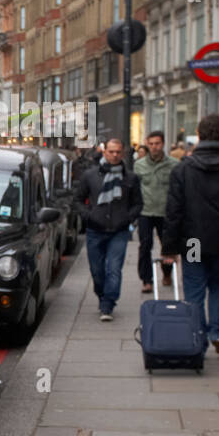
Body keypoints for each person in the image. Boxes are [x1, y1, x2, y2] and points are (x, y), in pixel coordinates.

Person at [161, 113, 219, 354]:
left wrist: (169, 247)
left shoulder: (183, 169)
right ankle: (217, 331)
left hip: (195, 241)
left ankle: (197, 334)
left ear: (199, 135)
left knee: (195, 287)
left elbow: (174, 211)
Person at [78, 137, 143, 321]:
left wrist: (128, 219)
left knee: (114, 269)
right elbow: (78, 200)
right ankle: (101, 295)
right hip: (95, 230)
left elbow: (138, 204)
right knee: (97, 271)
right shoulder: (90, 175)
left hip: (119, 231)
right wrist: (88, 216)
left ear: (122, 153)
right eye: (111, 151)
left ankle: (108, 305)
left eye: (118, 152)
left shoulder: (130, 178)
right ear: (104, 152)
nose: (114, 155)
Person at [134, 131, 174, 294]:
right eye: (151, 144)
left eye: (157, 143)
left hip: (166, 212)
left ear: (163, 144)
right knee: (145, 245)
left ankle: (167, 273)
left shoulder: (174, 164)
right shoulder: (140, 165)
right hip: (146, 212)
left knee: (168, 247)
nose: (154, 147)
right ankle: (147, 280)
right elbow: (135, 189)